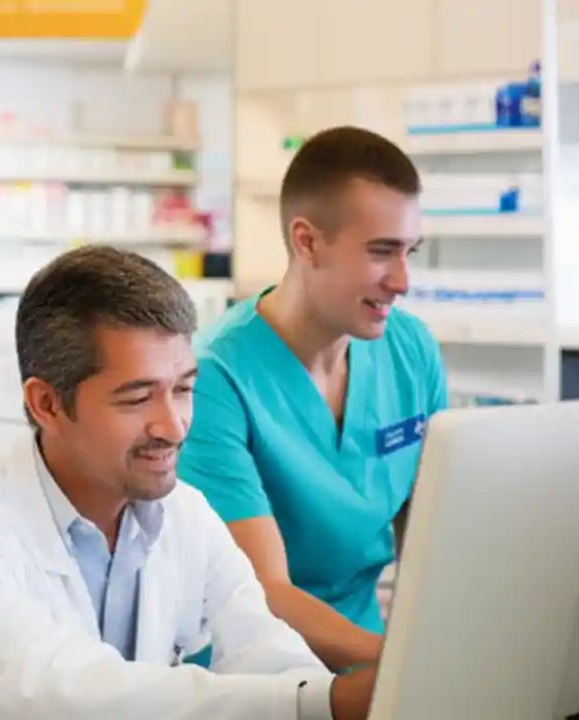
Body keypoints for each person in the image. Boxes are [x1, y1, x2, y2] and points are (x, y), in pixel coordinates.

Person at [0, 245, 378, 720]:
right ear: (47, 405)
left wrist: (340, 694)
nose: (174, 425)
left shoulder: (185, 515)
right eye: (137, 398)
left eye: (183, 389)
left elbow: (266, 651)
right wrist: (325, 704)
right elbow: (59, 699)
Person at [177, 125, 447, 672]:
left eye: (410, 252)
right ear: (307, 242)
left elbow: (433, 539)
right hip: (258, 674)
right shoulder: (215, 377)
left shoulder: (410, 350)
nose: (402, 279)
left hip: (373, 659)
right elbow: (265, 594)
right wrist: (407, 665)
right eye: (381, 252)